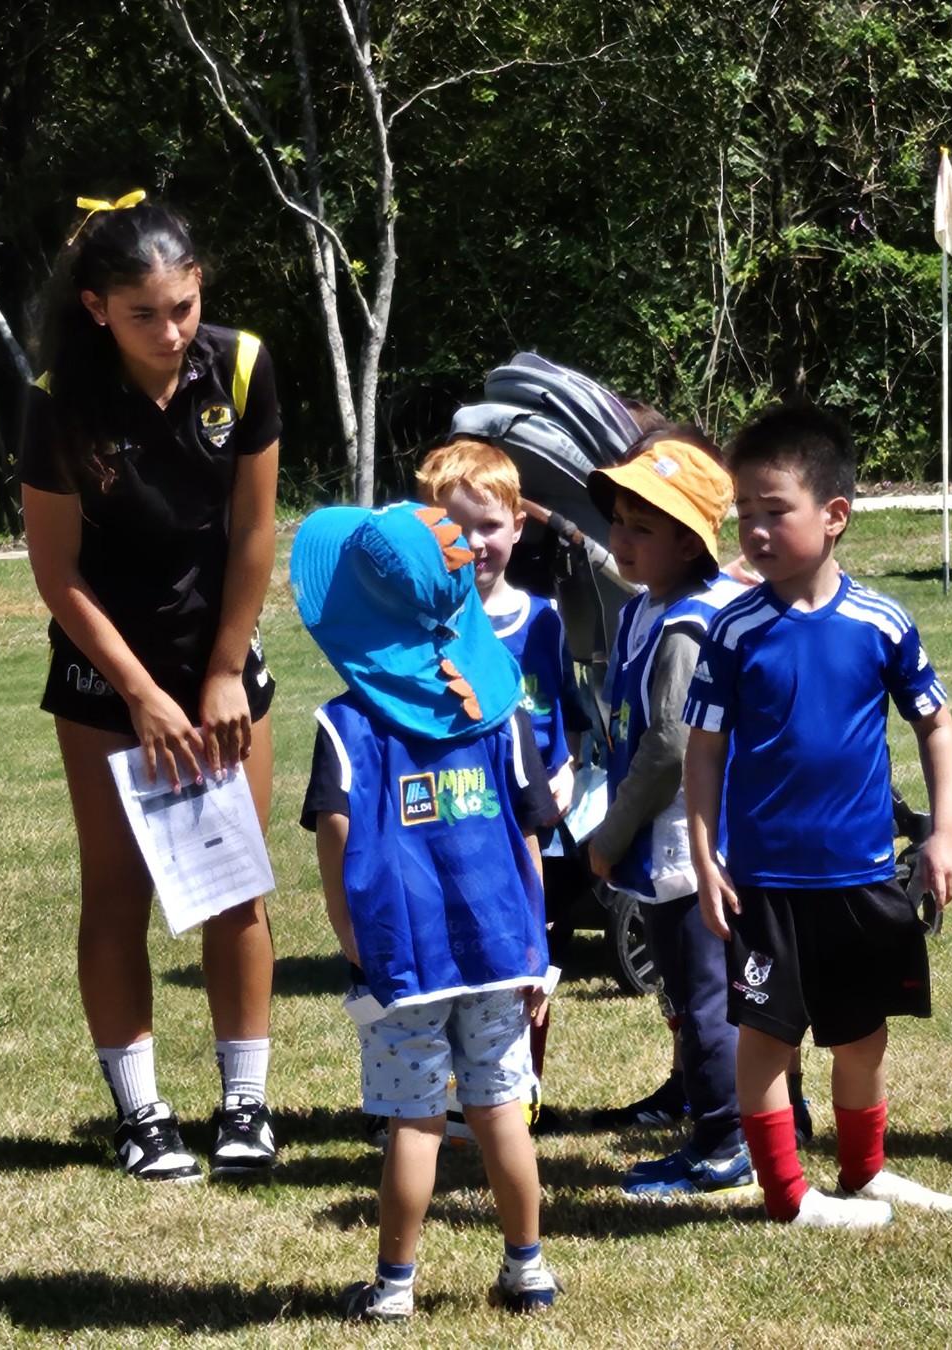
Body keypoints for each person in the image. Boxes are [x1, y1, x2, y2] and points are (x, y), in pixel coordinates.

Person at [19, 192, 279, 1182]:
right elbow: (57, 573)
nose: (171, 333)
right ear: (96, 309)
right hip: (106, 673)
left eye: (183, 307)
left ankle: (245, 1103)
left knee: (236, 886)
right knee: (118, 888)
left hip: (218, 663)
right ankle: (142, 1114)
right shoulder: (59, 399)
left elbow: (254, 530)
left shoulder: (241, 365)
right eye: (143, 315)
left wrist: (224, 671)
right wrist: (139, 694)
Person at [684, 404, 952, 1229]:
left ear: (834, 514)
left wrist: (945, 832)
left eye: (775, 511)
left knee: (862, 1034)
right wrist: (705, 856)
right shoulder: (732, 631)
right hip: (764, 884)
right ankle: (787, 1197)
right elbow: (703, 750)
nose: (755, 530)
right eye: (745, 512)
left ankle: (864, 1172)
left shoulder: (881, 623)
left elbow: (936, 725)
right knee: (767, 1039)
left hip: (862, 875)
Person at [291, 500, 560, 1321]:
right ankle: (529, 1270)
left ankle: (394, 1288)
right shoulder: (499, 708)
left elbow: (335, 838)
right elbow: (529, 838)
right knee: (501, 1111)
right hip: (501, 950)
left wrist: (352, 940)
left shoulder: (345, 724)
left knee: (414, 1123)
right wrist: (537, 947)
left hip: (401, 958)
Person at [582, 432, 753, 1197]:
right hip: (668, 839)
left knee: (704, 999)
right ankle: (737, 1124)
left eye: (642, 527)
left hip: (686, 843)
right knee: (694, 995)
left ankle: (725, 1142)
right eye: (618, 521)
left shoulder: (686, 625)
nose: (621, 539)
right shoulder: (646, 608)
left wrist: (611, 832)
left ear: (690, 543)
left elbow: (670, 746)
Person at [417, 436, 577, 818]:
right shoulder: (424, 628)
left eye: (489, 525)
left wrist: (570, 768)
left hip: (542, 805)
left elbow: (570, 712)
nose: (474, 543)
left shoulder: (545, 622)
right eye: (454, 528)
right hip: (465, 805)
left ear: (517, 526)